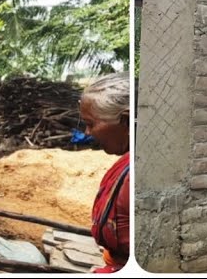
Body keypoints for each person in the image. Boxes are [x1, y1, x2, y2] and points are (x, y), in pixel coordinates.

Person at [80, 73, 130, 273]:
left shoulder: (134, 178)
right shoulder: (125, 165)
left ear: (125, 120)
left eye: (91, 124)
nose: (87, 132)